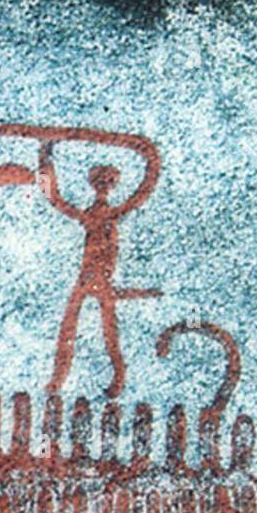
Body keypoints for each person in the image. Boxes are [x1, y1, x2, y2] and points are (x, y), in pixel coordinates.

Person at [38, 142, 158, 398]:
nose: (104, 187)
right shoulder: (98, 215)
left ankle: (112, 380)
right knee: (75, 332)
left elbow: (56, 199)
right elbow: (55, 198)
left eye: (108, 181)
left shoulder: (107, 214)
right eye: (102, 181)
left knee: (104, 334)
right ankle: (59, 381)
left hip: (99, 278)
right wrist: (45, 162)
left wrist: (45, 160)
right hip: (91, 277)